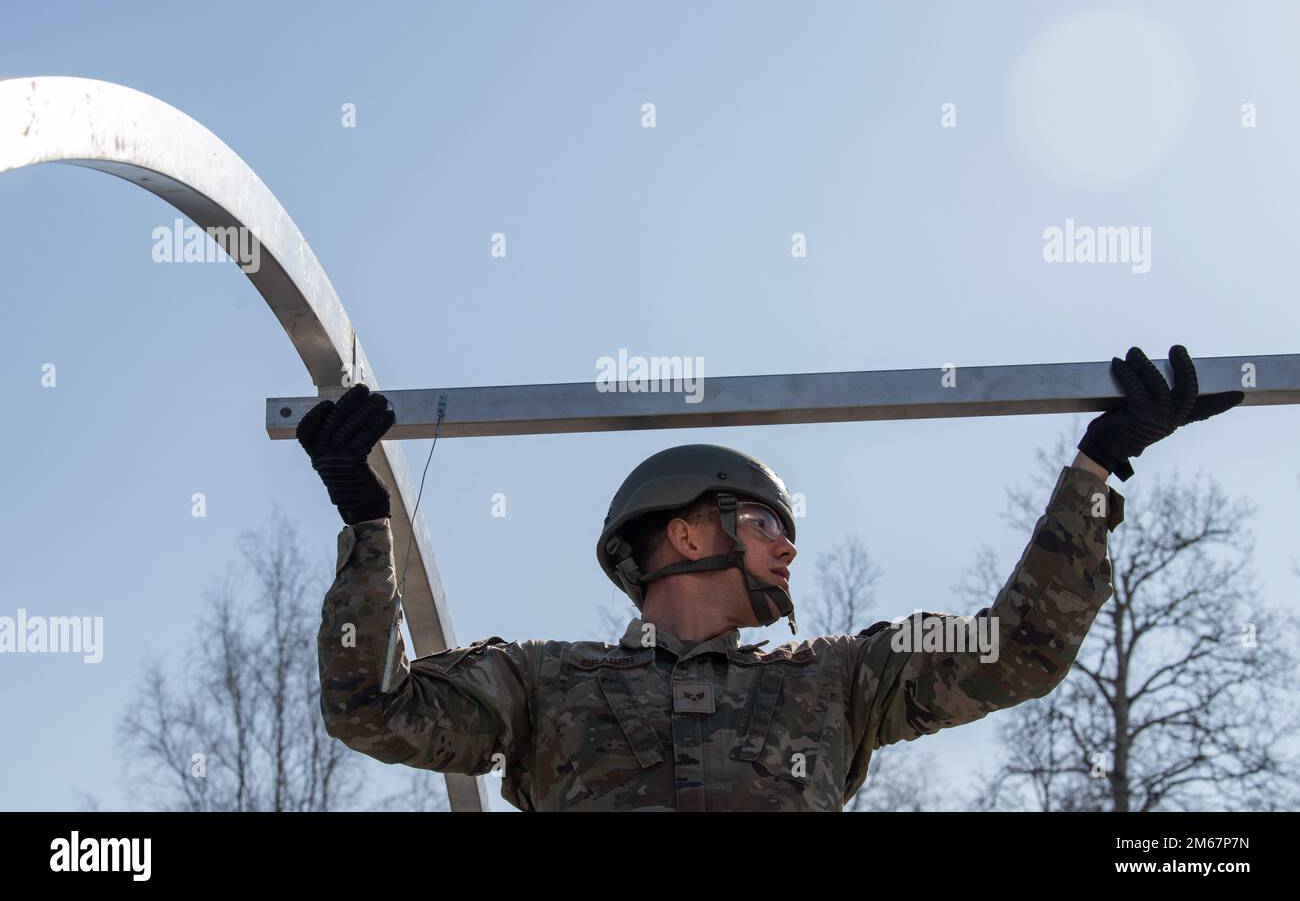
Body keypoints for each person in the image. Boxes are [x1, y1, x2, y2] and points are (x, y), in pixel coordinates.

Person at [299, 344, 1242, 811]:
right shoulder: (542, 682)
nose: (788, 549)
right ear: (684, 531)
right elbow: (371, 709)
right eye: (764, 525)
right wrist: (365, 521)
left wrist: (1097, 469)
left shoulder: (840, 678)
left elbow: (1019, 650)